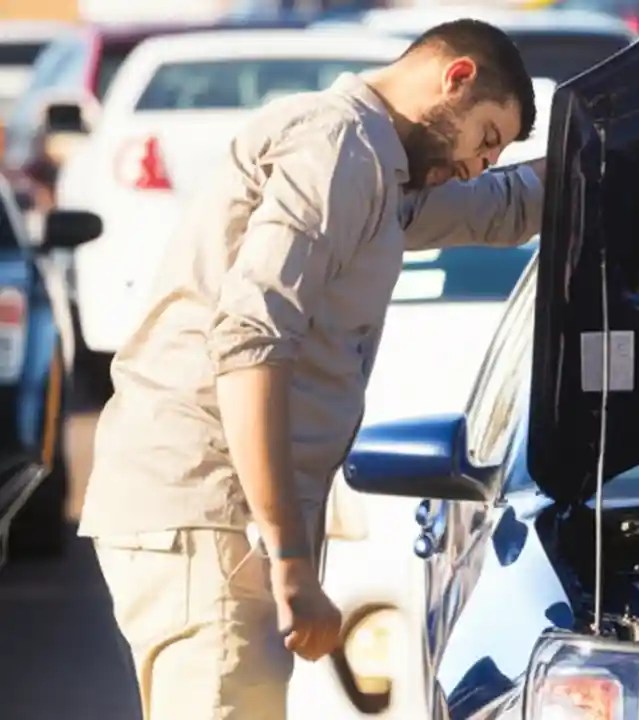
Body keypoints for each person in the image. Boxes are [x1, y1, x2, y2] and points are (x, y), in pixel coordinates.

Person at [77, 19, 544, 720]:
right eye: (485, 138)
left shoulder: (382, 169)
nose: (480, 163)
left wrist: (611, 150)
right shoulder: (340, 149)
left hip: (220, 519)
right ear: (456, 78)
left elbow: (497, 209)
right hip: (211, 512)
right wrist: (290, 556)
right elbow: (250, 338)